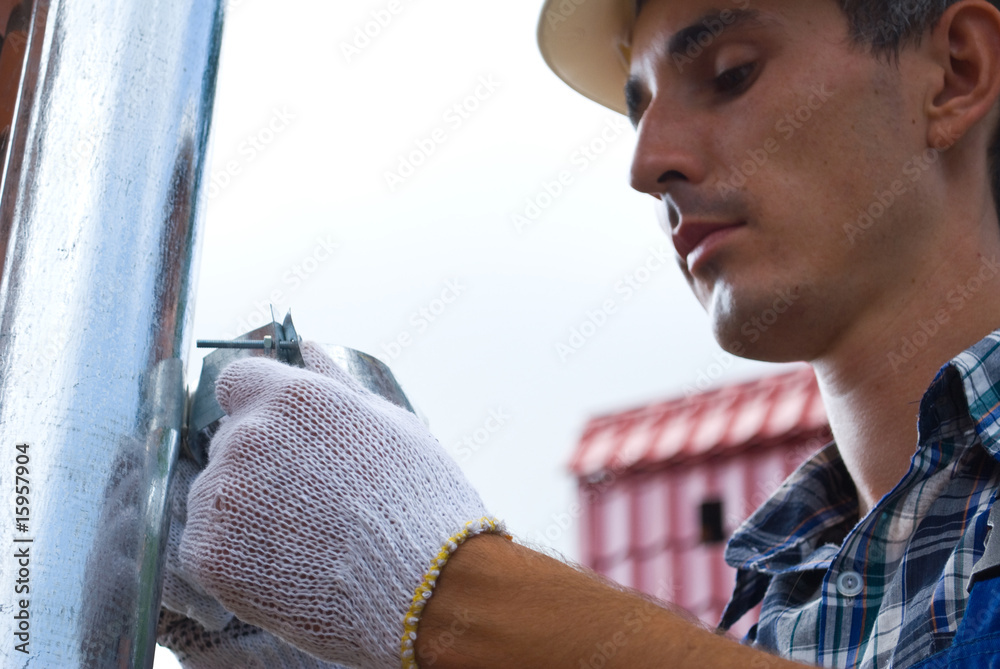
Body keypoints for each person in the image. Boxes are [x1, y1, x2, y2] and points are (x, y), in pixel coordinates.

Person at [158, 0, 1000, 667]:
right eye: (638, 111)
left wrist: (443, 590)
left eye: (731, 72)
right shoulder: (783, 592)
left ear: (956, 72)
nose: (646, 162)